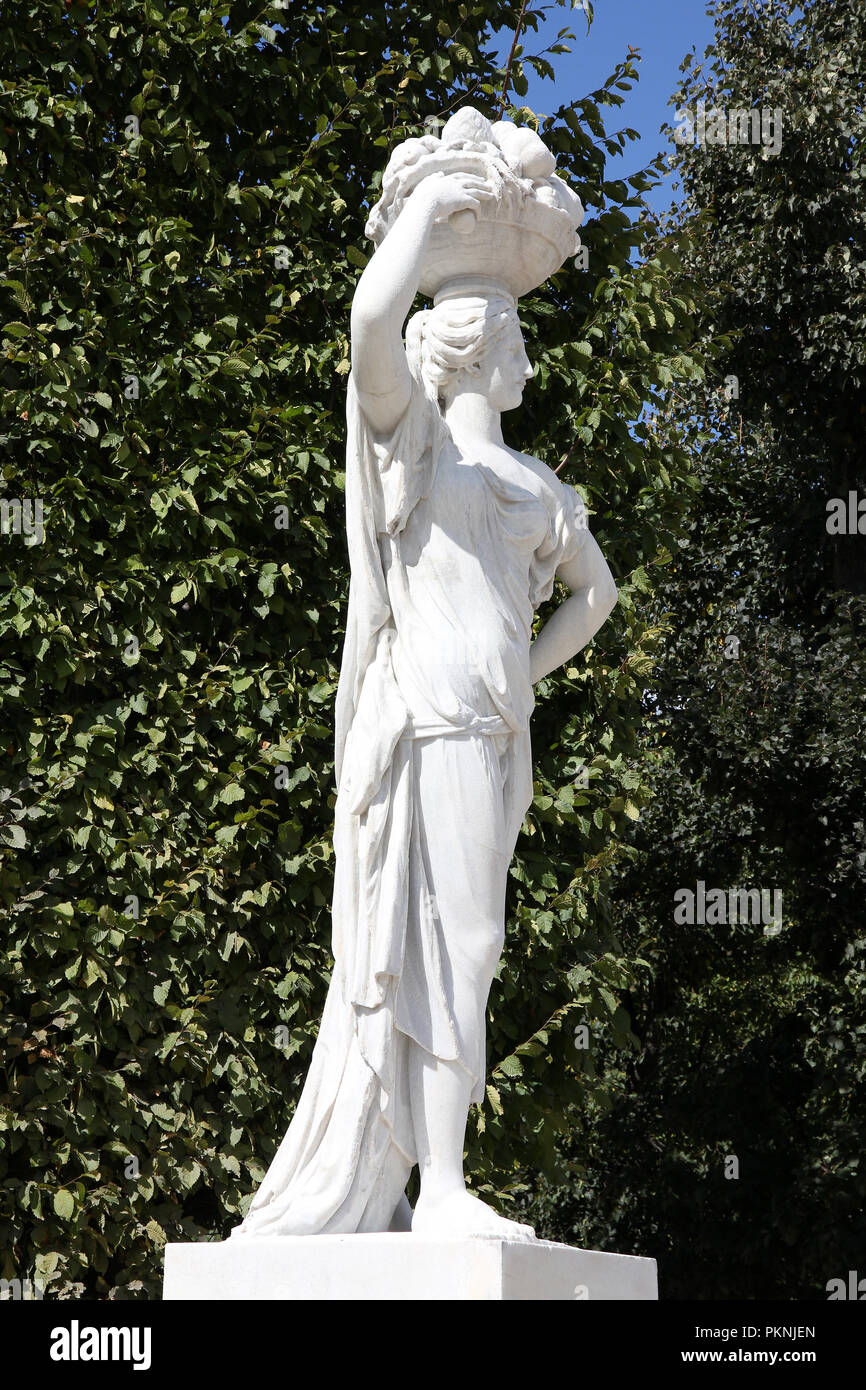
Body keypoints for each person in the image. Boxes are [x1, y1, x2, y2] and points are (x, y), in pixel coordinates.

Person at [232, 170, 617, 1241]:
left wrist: (520, 681)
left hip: (494, 733)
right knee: (466, 940)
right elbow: (368, 316)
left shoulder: (535, 484)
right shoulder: (416, 446)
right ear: (478, 348)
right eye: (516, 344)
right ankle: (440, 1183)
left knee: (468, 939)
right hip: (433, 723)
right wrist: (428, 206)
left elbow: (599, 594)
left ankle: (434, 1173)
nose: (529, 360)